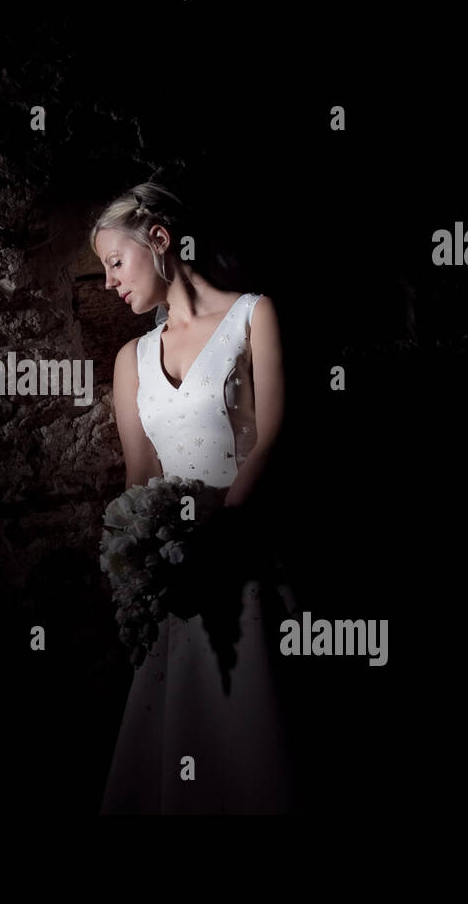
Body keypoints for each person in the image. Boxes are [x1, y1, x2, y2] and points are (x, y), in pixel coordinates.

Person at [92, 181, 295, 814]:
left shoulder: (254, 314)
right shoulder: (131, 358)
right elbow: (139, 476)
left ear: (159, 239)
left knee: (258, 734)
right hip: (178, 580)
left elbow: (274, 436)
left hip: (247, 557)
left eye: (114, 262)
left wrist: (224, 538)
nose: (107, 283)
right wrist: (144, 563)